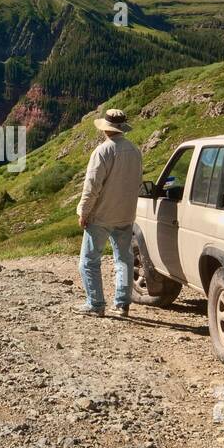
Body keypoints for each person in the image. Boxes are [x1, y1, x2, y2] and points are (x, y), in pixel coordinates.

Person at [75, 108, 143, 317]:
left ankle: (95, 303)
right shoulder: (134, 150)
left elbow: (92, 187)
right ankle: (122, 304)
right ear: (122, 128)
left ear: (106, 129)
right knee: (123, 259)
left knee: (89, 261)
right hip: (126, 213)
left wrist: (83, 212)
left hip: (102, 215)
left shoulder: (102, 151)